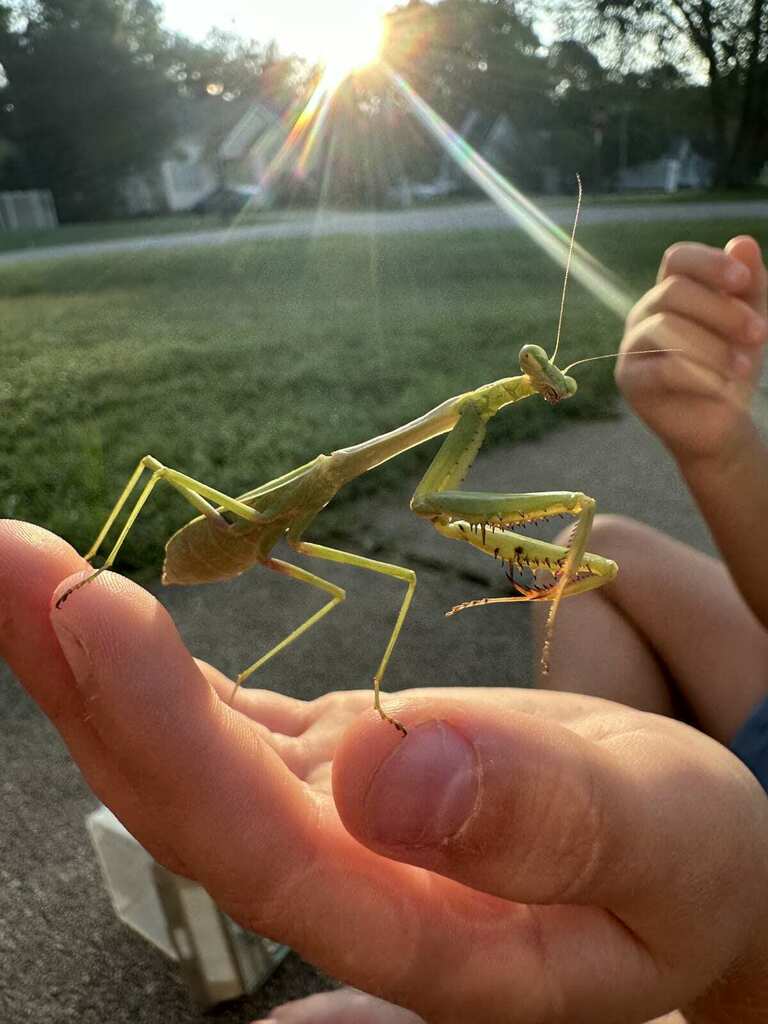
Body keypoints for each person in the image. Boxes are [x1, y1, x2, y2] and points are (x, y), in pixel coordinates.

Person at [2, 238, 767, 1024]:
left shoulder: (465, 426)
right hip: (243, 528)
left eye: (544, 382)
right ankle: (97, 560)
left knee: (519, 559)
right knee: (177, 476)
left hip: (268, 536)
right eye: (538, 378)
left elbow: (437, 504)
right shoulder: (439, 435)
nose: (546, 387)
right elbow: (434, 505)